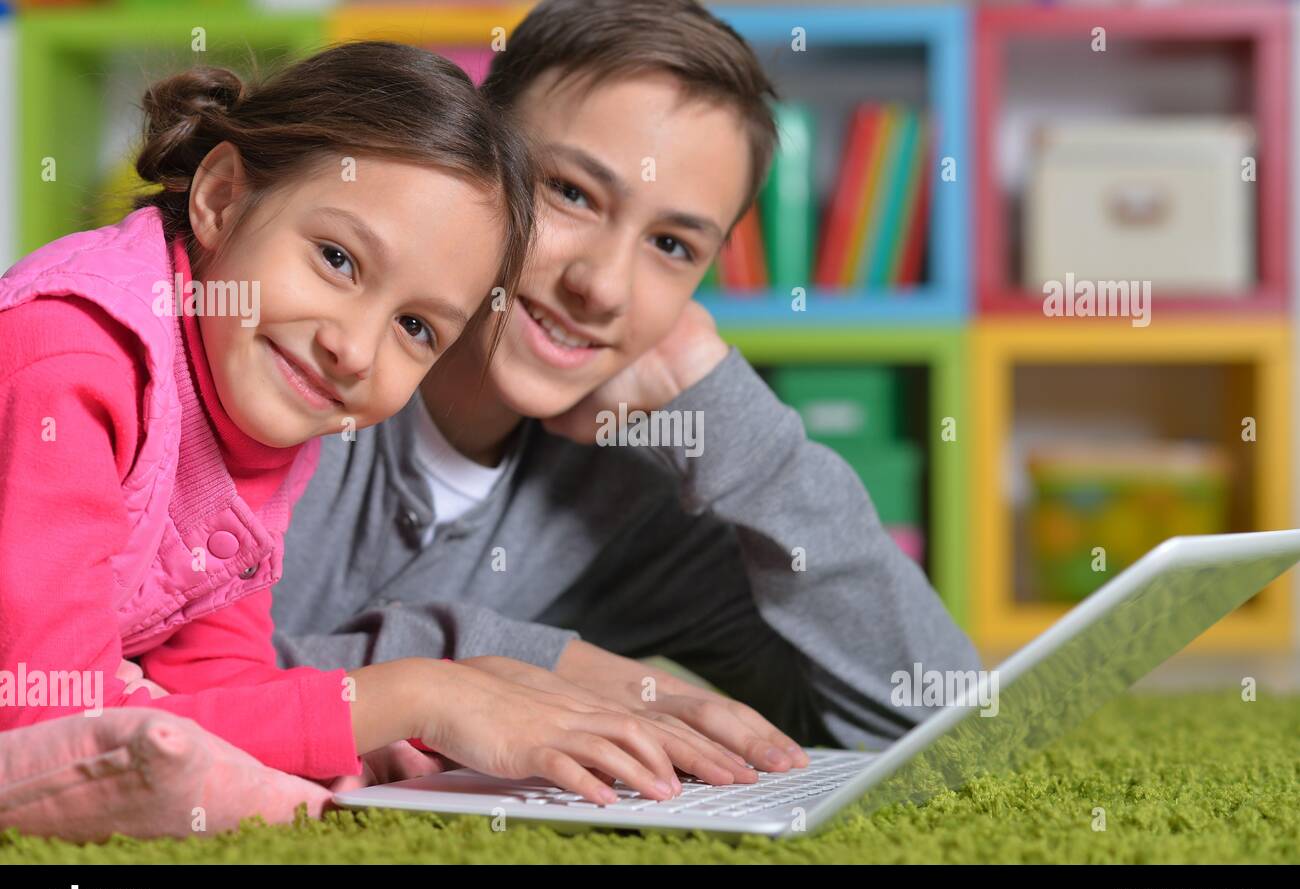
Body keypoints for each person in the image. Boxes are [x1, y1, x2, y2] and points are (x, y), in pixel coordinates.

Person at [0, 42, 723, 807]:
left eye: (415, 327)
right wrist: (412, 696)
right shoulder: (73, 359)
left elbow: (214, 674)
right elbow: (49, 726)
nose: (352, 349)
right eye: (338, 259)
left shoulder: (251, 405)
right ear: (220, 198)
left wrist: (356, 732)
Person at [273, 0, 984, 773]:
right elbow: (157, 679)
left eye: (672, 246)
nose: (603, 286)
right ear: (474, 150)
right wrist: (521, 666)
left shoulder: (625, 503)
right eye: (572, 193)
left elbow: (942, 730)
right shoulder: (301, 354)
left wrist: (734, 422)